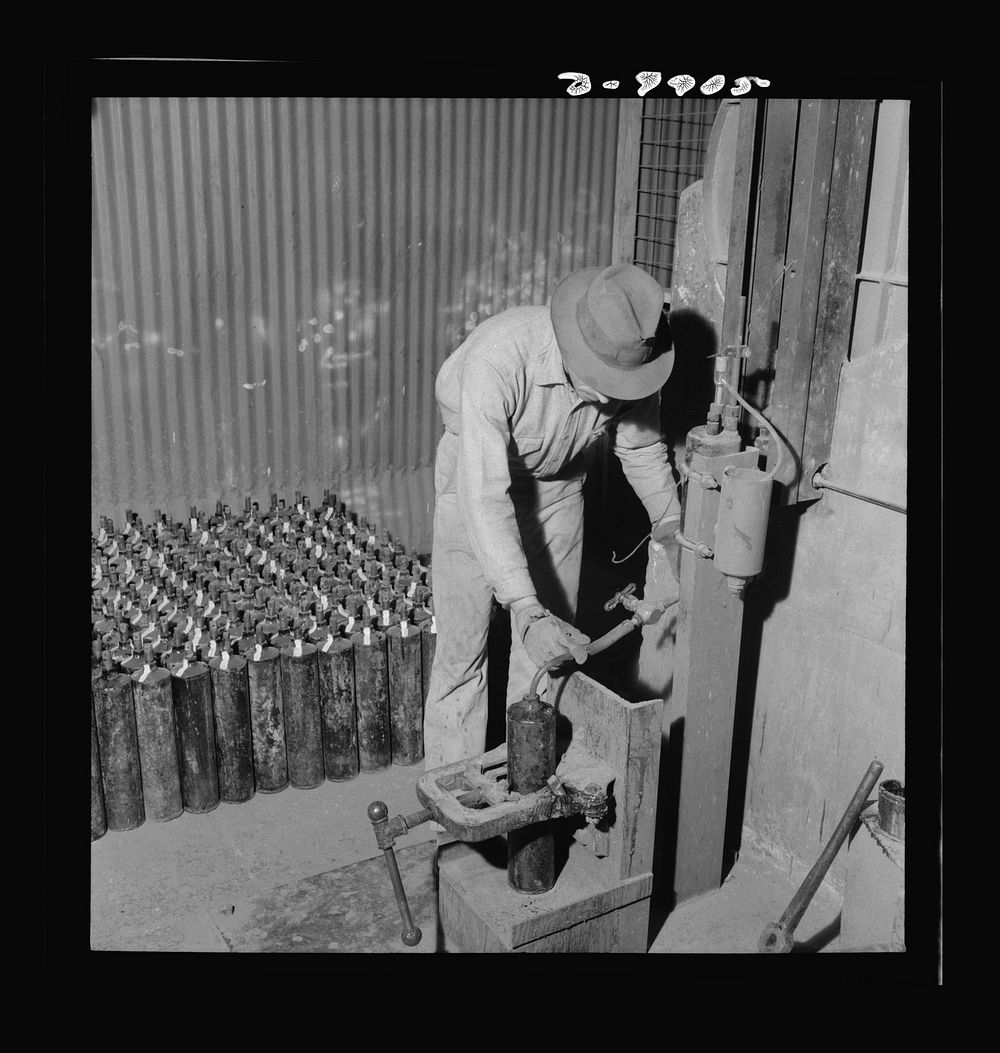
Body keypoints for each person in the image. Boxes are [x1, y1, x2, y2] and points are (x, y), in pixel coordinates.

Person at [423, 262, 682, 772]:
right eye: (601, 382)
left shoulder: (635, 360)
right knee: (462, 655)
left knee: (549, 653)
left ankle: (528, 797)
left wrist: (672, 530)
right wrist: (524, 605)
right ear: (571, 344)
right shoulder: (498, 358)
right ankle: (455, 819)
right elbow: (485, 497)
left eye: (621, 386)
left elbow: (642, 450)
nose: (611, 400)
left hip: (560, 488)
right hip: (473, 490)